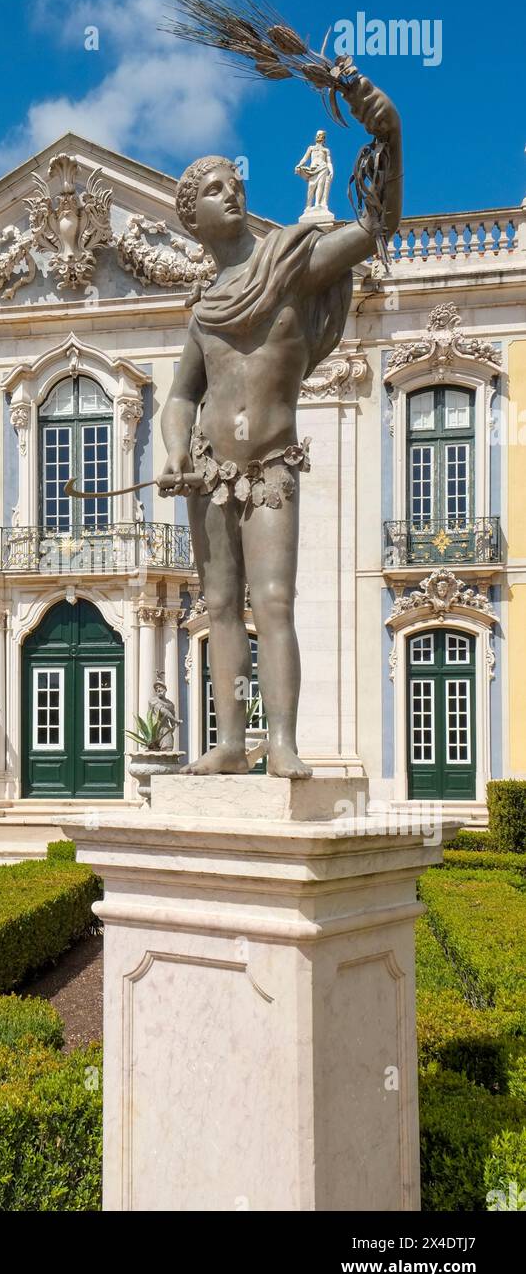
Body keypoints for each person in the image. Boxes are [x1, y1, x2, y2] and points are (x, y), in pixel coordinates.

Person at [160, 76, 402, 777]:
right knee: (219, 608)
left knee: (272, 602)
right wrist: (177, 449)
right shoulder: (203, 312)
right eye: (212, 188)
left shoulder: (290, 263)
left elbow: (376, 226)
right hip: (209, 471)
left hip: (269, 467)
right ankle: (233, 744)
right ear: (193, 221)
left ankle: (285, 742)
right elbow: (180, 395)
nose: (230, 190)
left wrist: (388, 135)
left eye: (234, 180)